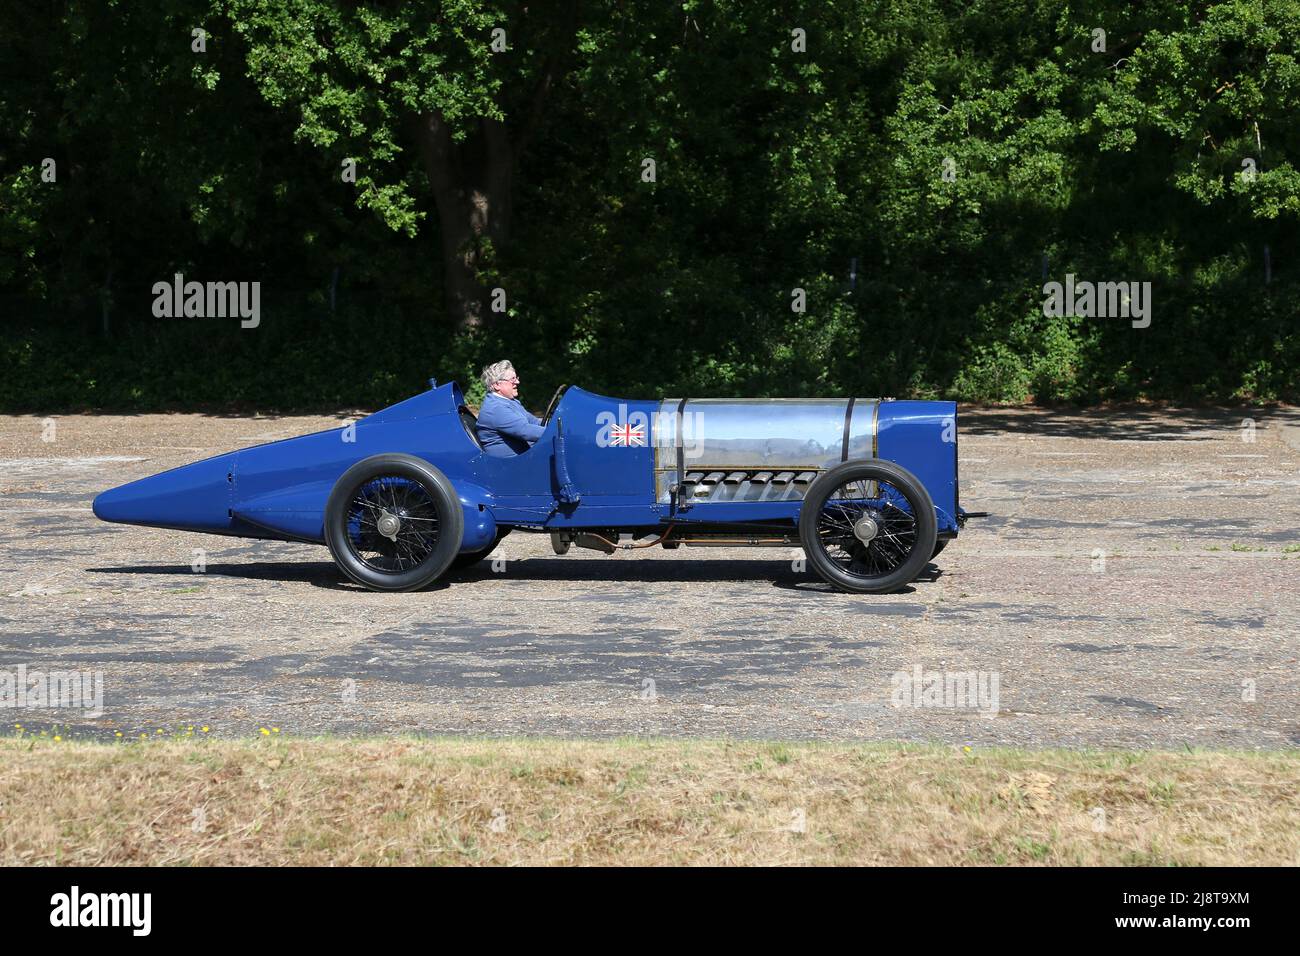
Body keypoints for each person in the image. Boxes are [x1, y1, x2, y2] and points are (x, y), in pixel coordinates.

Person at [476, 360, 544, 457]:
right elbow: (526, 431)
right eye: (512, 379)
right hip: (512, 467)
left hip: (525, 458)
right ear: (497, 385)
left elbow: (535, 422)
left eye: (516, 378)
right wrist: (560, 432)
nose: (517, 382)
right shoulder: (495, 409)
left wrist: (558, 424)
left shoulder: (510, 401)